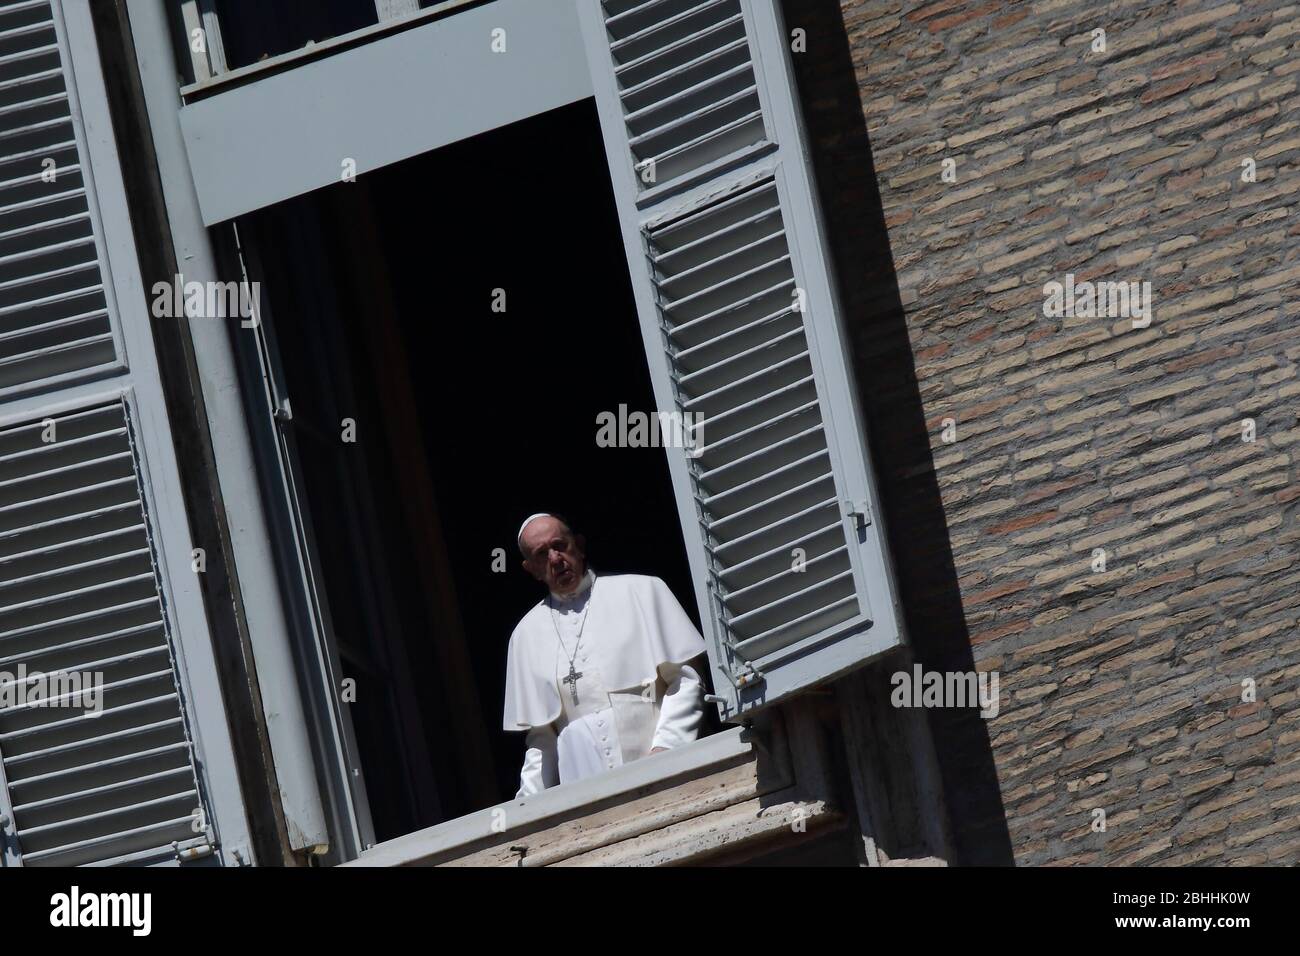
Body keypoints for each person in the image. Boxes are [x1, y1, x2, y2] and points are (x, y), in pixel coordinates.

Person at [503, 513, 707, 797]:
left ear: (579, 545)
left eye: (559, 545)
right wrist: (527, 803)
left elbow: (685, 680)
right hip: (583, 784)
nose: (555, 558)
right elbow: (542, 738)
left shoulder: (642, 590)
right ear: (532, 569)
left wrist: (667, 749)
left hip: (660, 767)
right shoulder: (525, 636)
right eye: (541, 554)